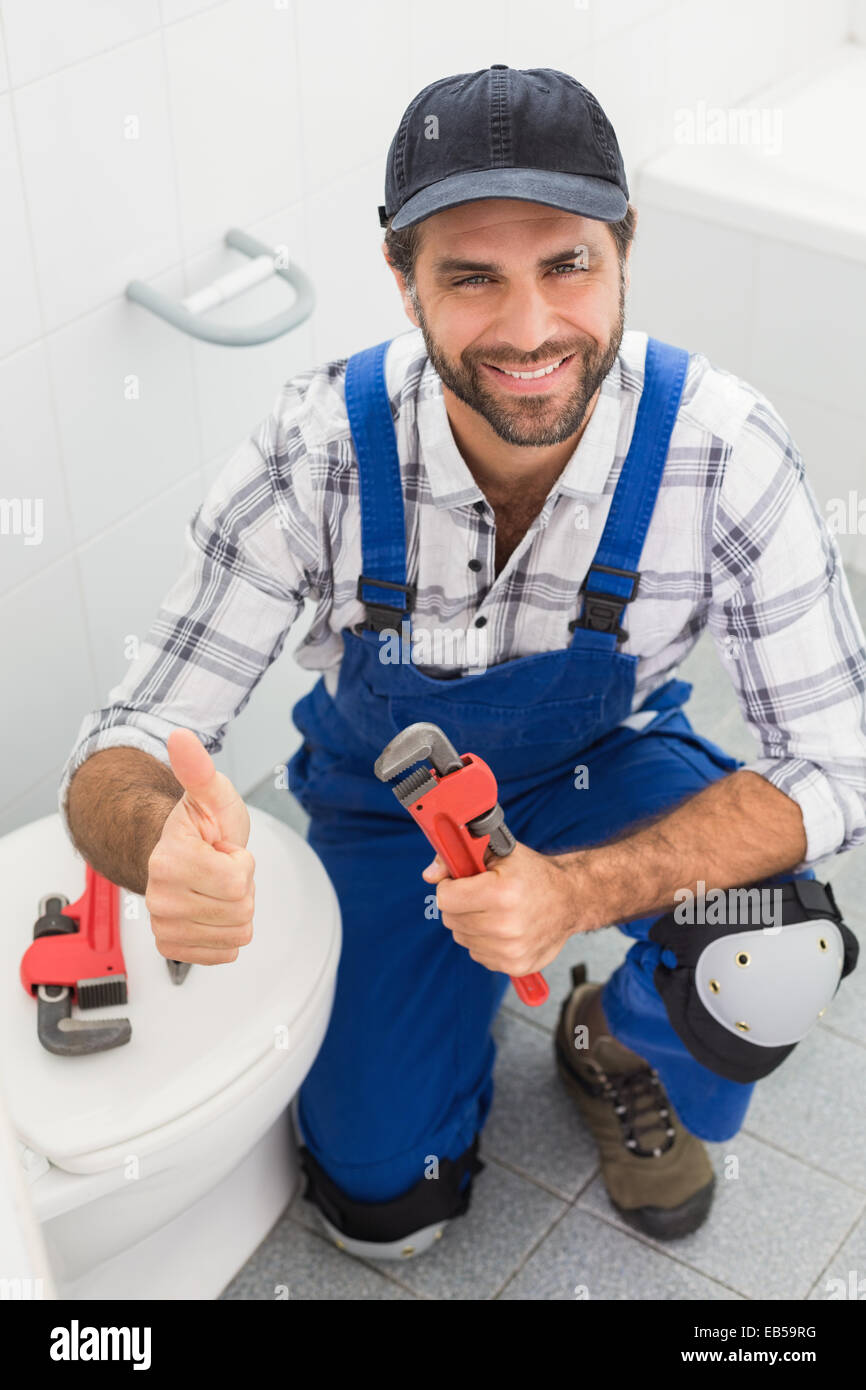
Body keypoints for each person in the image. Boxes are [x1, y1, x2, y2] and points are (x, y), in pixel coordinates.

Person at [60, 65, 865, 1262]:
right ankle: (443, 1011)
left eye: (566, 265)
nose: (530, 329)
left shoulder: (720, 451)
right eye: (472, 276)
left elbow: (835, 768)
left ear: (624, 250)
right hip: (391, 816)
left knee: (773, 941)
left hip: (599, 778)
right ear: (403, 280)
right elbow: (120, 743)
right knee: (386, 1215)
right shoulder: (317, 451)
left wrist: (574, 894)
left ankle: (610, 1039)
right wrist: (154, 838)